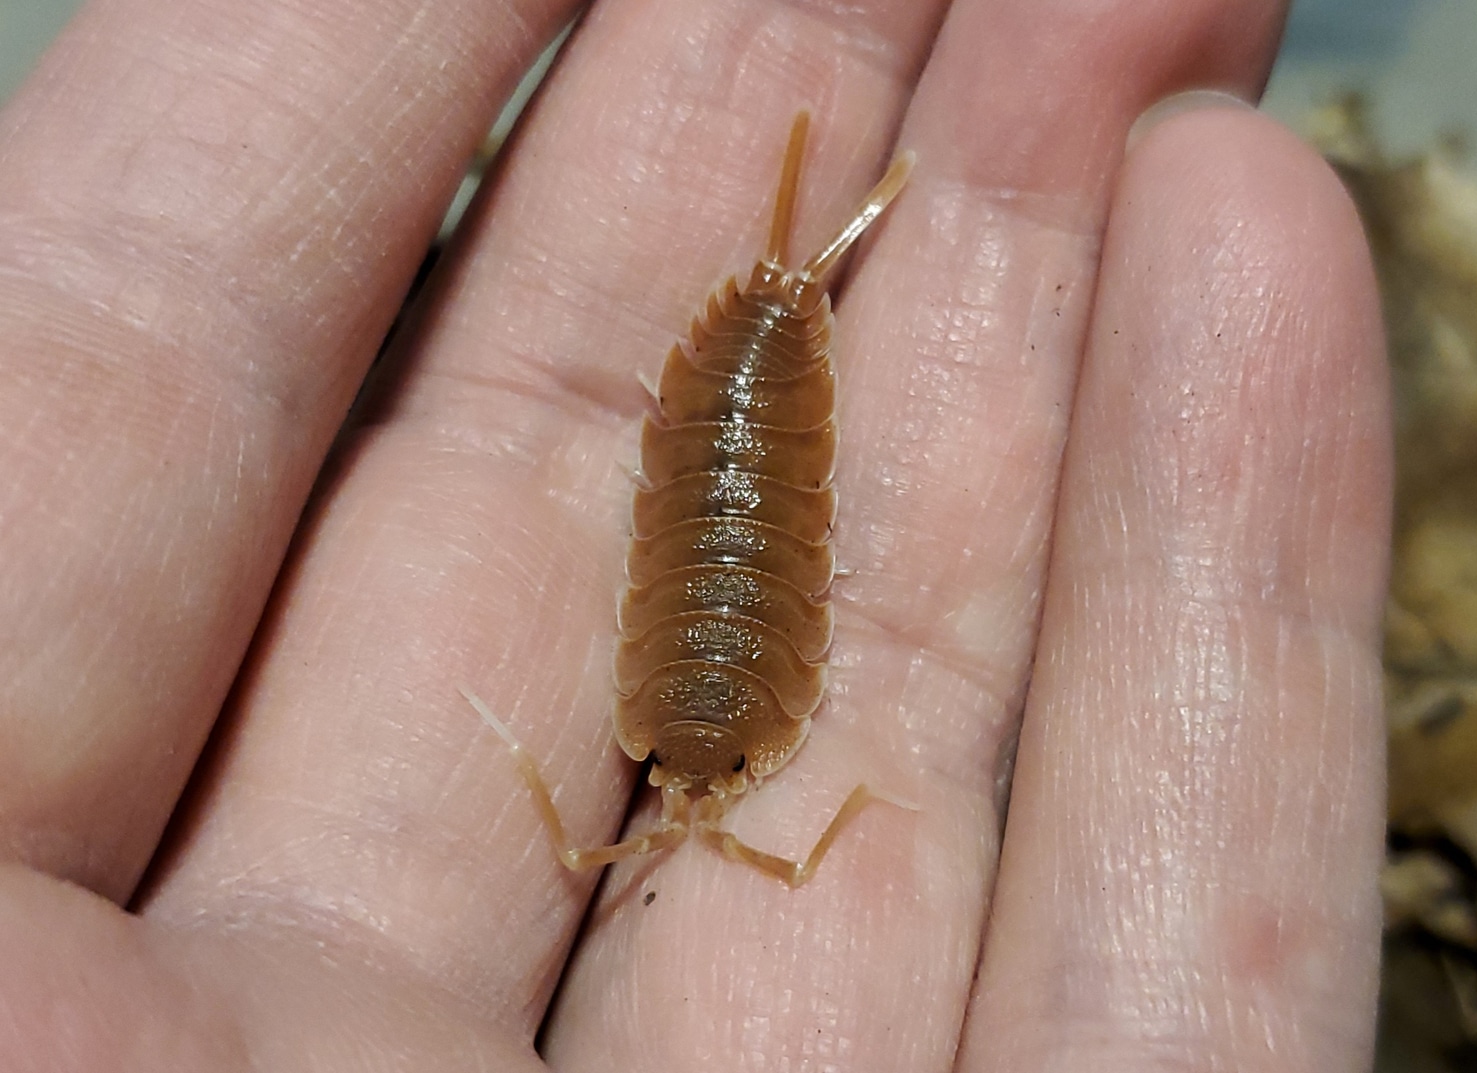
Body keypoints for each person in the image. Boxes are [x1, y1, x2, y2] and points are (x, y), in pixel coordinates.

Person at [0, 0, 1389, 1069]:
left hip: (743, 402)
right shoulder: (719, 683)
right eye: (690, 767)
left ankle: (819, 255)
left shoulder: (701, 694)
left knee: (756, 456)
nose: (687, 785)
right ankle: (819, 256)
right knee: (758, 470)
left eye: (672, 764)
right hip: (748, 421)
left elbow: (724, 555)